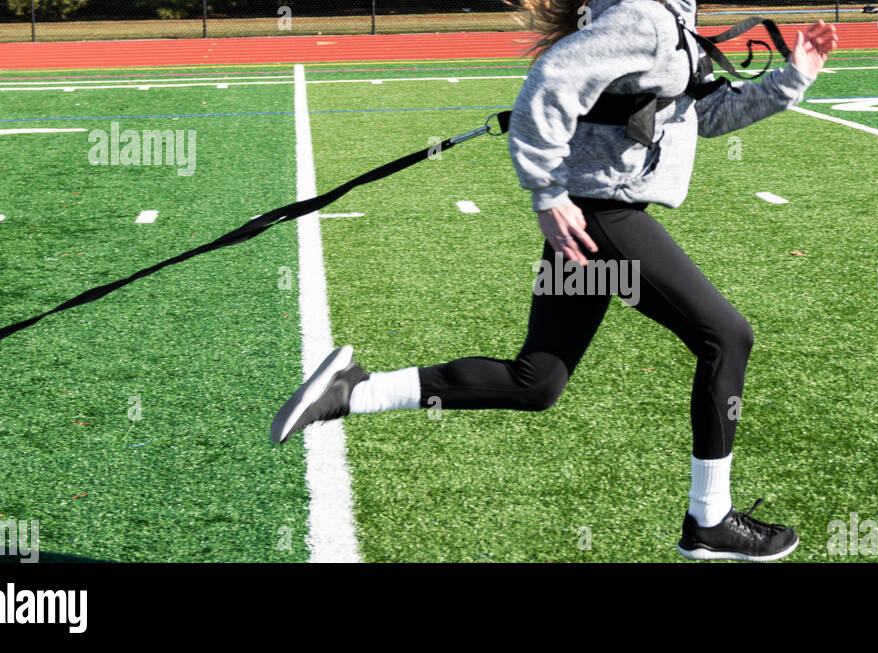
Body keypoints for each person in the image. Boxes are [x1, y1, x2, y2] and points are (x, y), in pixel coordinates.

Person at [271, 0, 837, 562]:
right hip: (600, 215)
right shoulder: (645, 17)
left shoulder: (667, 18)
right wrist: (546, 192)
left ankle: (353, 389)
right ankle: (708, 519)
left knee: (537, 381)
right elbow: (551, 81)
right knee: (726, 336)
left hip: (589, 218)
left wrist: (795, 78)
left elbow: (704, 117)